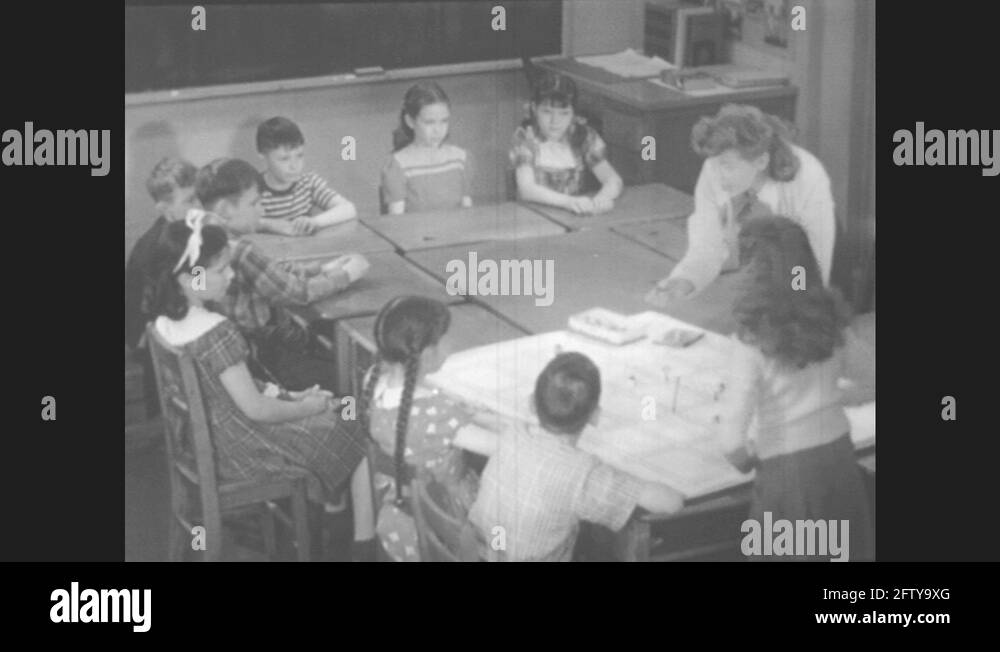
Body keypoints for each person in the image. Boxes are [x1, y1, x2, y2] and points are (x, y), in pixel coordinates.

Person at [149, 213, 375, 560]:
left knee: (334, 412)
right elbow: (256, 410)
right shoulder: (216, 330)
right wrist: (307, 406)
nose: (232, 274)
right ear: (189, 276)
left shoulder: (164, 324)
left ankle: (328, 518)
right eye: (222, 269)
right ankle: (363, 543)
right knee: (354, 418)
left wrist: (291, 395)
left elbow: (242, 388)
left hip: (206, 444)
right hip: (243, 451)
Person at [718, 215, 873, 561]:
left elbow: (730, 442)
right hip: (838, 460)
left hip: (786, 476)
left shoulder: (751, 341)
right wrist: (835, 399)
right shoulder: (831, 320)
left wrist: (748, 463)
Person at [467, 352, 684, 561]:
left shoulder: (514, 433)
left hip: (475, 553)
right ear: (595, 416)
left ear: (532, 403)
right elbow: (671, 503)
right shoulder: (583, 474)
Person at [195, 157, 367, 390]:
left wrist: (321, 269)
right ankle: (348, 418)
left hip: (233, 355)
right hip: (259, 359)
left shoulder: (201, 233)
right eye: (254, 204)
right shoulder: (239, 249)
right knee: (346, 377)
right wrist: (346, 275)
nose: (262, 211)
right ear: (226, 209)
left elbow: (270, 271)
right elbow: (296, 293)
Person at [647, 104, 835, 306]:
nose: (717, 175)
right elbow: (706, 245)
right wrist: (685, 281)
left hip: (806, 265)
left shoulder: (807, 178)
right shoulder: (714, 169)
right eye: (715, 164)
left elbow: (812, 263)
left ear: (761, 161)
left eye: (727, 166)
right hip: (757, 266)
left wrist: (795, 310)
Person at [359, 296, 487, 561]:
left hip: (394, 514)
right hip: (445, 519)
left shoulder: (371, 380)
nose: (452, 345)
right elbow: (500, 446)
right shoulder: (439, 414)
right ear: (427, 356)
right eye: (446, 339)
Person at [125, 157, 201, 417]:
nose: (199, 205)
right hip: (153, 339)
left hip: (172, 322)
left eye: (200, 197)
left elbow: (198, 280)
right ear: (164, 209)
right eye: (190, 200)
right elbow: (151, 315)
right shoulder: (156, 249)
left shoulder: (189, 233)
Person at [510, 71, 623, 215]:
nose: (555, 122)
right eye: (547, 112)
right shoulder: (526, 138)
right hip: (534, 218)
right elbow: (526, 189)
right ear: (534, 108)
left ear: (573, 113)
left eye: (564, 113)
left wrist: (603, 198)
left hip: (573, 215)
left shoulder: (584, 137)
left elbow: (612, 179)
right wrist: (569, 202)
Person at [255, 116, 357, 235]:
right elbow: (235, 223)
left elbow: (349, 209)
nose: (294, 166)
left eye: (299, 156)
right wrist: (269, 224)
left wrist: (314, 221)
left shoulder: (308, 183)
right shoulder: (253, 189)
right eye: (284, 159)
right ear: (262, 155)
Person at [381, 82, 472, 214]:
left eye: (444, 121)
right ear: (410, 121)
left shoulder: (461, 159)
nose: (438, 130)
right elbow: (397, 223)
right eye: (429, 122)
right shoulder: (398, 165)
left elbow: (469, 213)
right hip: (417, 234)